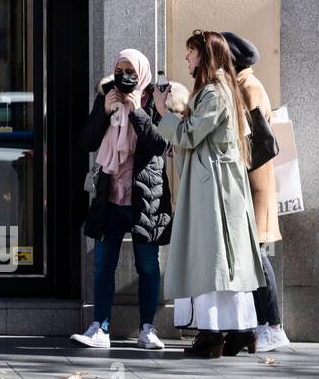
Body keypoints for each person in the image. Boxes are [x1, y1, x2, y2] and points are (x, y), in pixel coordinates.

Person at [154, 30, 265, 358]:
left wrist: (163, 112)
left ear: (206, 56)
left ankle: (212, 333)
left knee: (209, 259)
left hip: (212, 190)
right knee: (224, 262)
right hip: (218, 185)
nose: (187, 59)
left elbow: (189, 135)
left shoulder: (215, 92)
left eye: (191, 53)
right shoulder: (221, 89)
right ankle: (239, 329)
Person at [71, 49, 171, 350]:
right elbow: (86, 141)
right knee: (103, 264)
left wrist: (136, 110)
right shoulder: (106, 96)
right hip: (109, 194)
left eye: (130, 70)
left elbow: (160, 143)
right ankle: (99, 327)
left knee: (148, 266)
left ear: (141, 72)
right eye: (119, 69)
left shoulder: (155, 99)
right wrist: (104, 111)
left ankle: (147, 328)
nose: (124, 76)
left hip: (145, 194)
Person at [222, 31, 291, 353]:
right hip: (252, 184)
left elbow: (261, 142)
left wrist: (236, 165)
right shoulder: (242, 85)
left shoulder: (248, 88)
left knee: (258, 257)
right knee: (253, 257)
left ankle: (273, 326)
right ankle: (260, 325)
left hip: (254, 185)